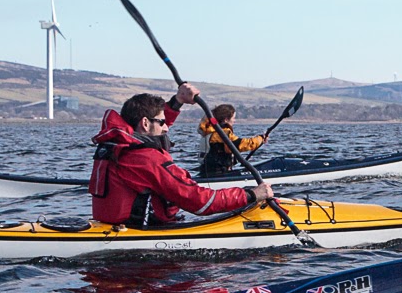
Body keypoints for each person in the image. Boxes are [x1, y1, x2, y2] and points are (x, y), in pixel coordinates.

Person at [89, 84, 273, 227]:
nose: (167, 127)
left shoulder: (118, 145)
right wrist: (251, 195)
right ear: (145, 123)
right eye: (162, 122)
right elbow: (200, 202)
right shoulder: (146, 160)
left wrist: (178, 100)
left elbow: (155, 126)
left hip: (115, 225)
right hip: (140, 236)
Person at [197, 103, 267, 176]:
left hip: (208, 171)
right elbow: (241, 144)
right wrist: (260, 139)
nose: (234, 120)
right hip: (217, 173)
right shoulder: (221, 133)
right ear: (226, 119)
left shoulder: (209, 131)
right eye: (233, 118)